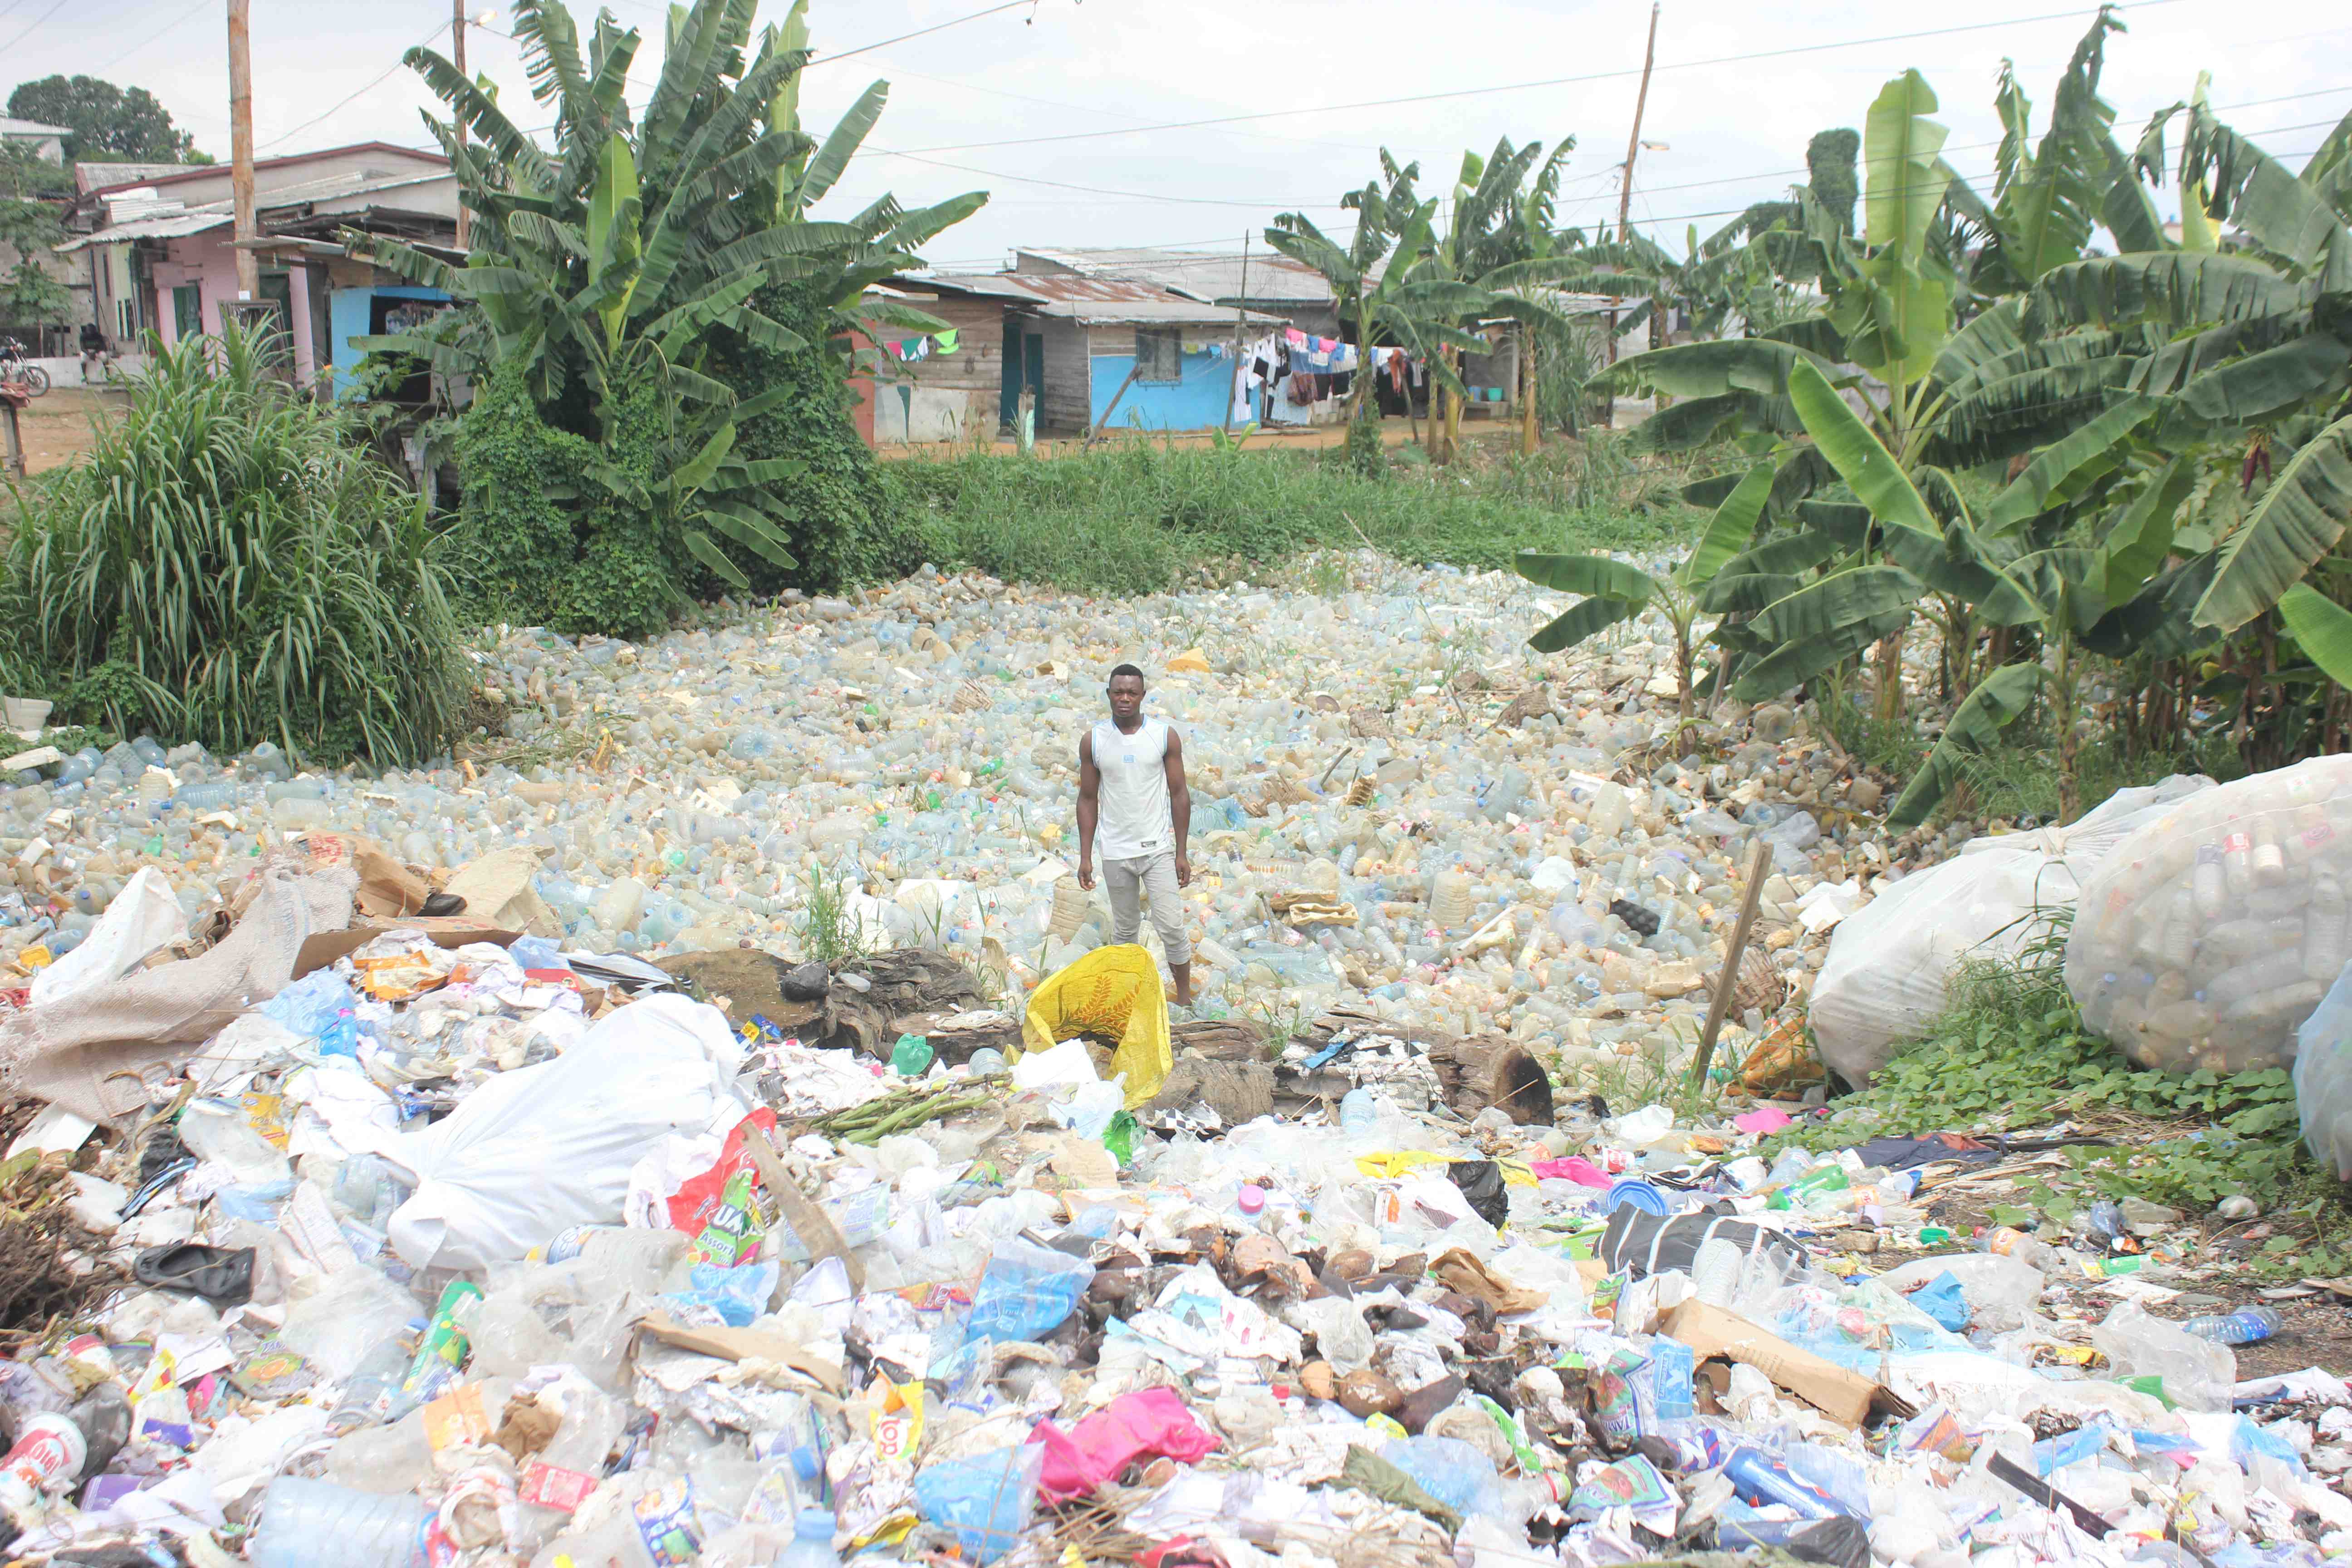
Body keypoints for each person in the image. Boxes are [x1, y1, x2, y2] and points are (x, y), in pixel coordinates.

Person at [1076, 663, 1195, 1006]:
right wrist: (1086, 856)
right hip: (1115, 850)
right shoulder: (1095, 741)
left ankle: (1185, 999)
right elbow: (1087, 798)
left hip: (1156, 847)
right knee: (1125, 932)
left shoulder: (1162, 736)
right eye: (1118, 692)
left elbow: (1179, 793)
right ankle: (1124, 1001)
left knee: (1171, 925)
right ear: (1109, 695)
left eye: (1132, 692)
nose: (1124, 699)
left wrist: (1181, 851)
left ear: (1143, 696)